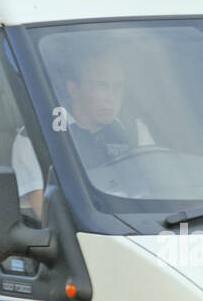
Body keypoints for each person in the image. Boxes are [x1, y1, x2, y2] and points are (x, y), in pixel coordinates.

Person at [11, 45, 152, 218]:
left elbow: (159, 188)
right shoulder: (39, 135)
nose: (111, 97)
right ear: (74, 89)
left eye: (118, 86)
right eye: (101, 86)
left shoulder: (134, 130)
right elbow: (51, 220)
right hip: (86, 236)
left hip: (143, 231)